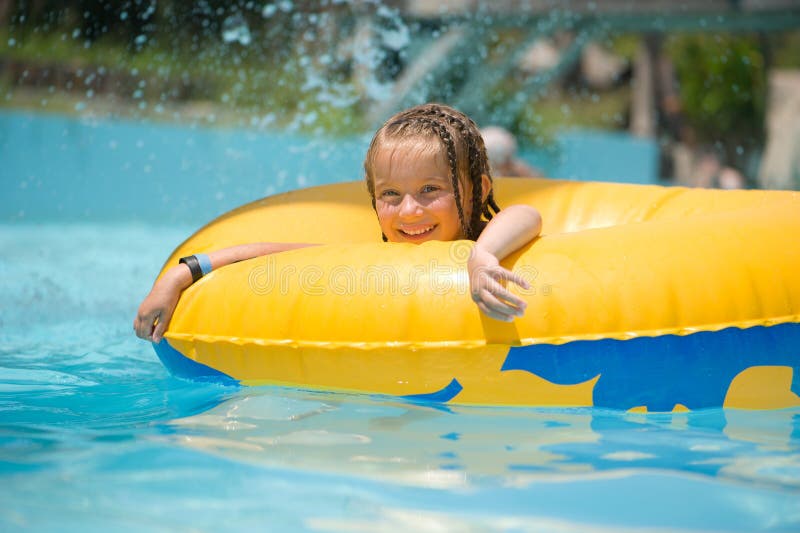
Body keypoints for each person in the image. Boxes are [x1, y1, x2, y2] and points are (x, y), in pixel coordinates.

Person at [134, 103, 542, 342]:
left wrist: (483, 256)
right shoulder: (374, 263)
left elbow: (527, 214)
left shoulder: (487, 244)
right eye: (390, 195)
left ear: (478, 188)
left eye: (431, 189)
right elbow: (272, 255)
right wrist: (181, 275)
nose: (410, 212)